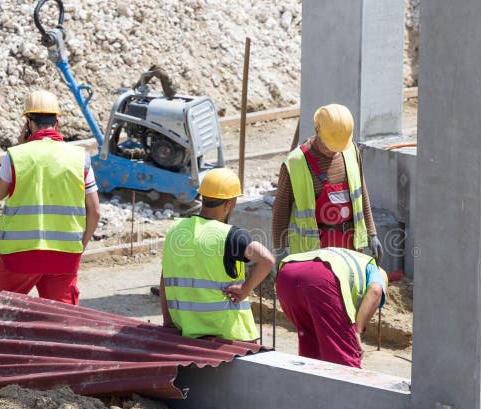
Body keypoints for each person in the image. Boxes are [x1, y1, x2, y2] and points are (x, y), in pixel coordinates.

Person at [0, 90, 101, 305]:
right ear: (57, 122)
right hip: (64, 257)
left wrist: (20, 148)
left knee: (4, 312)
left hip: (19, 257)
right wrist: (79, 247)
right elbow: (95, 212)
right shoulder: (80, 158)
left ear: (28, 123)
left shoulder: (17, 155)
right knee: (62, 318)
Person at [160, 168, 274, 341]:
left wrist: (168, 322)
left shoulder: (175, 230)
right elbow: (267, 260)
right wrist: (245, 289)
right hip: (228, 335)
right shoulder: (231, 235)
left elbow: (165, 280)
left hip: (185, 330)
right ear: (229, 204)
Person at [272, 104, 382, 263]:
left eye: (338, 145)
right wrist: (280, 250)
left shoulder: (351, 151)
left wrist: (371, 232)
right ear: (317, 130)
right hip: (312, 252)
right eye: (329, 144)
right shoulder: (295, 163)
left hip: (350, 245)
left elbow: (361, 193)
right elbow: (280, 209)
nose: (333, 150)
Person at [275, 247, 387, 368]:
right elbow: (376, 291)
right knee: (343, 360)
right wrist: (357, 331)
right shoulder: (374, 269)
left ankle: (311, 378)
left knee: (312, 347)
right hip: (320, 277)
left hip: (286, 275)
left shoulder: (352, 261)